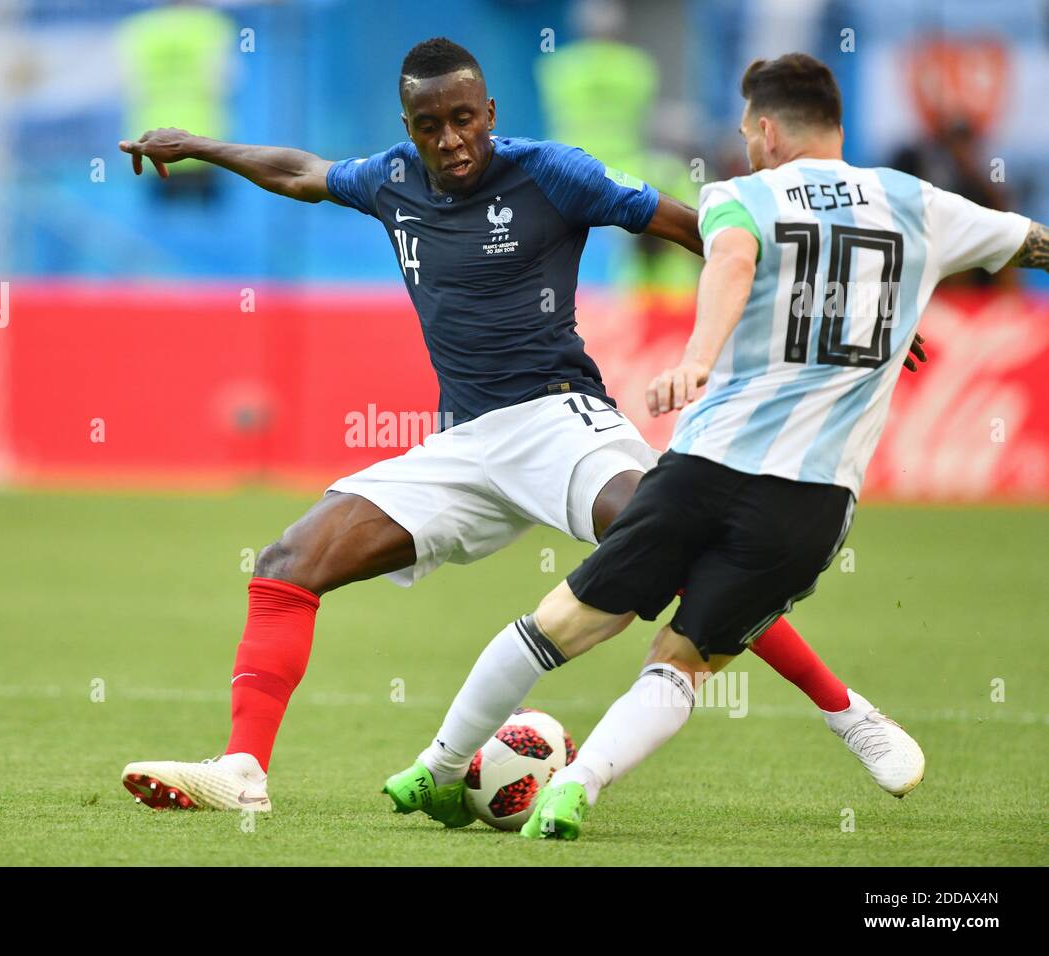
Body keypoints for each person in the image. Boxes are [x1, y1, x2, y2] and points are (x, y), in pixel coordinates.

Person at [116, 38, 925, 816]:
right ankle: (243, 770)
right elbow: (301, 172)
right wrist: (197, 143)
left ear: (489, 109)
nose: (452, 140)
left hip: (557, 418)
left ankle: (849, 713)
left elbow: (702, 230)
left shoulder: (553, 174)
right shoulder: (391, 179)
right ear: (409, 130)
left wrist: (837, 306)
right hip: (465, 444)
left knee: (674, 544)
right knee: (289, 563)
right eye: (431, 126)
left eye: (464, 118)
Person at [383, 51, 1044, 841]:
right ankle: (576, 789)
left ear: (765, 130)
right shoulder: (919, 204)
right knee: (681, 664)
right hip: (810, 499)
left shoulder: (741, 194)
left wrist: (698, 356)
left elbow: (731, 258)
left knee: (556, 623)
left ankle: (439, 761)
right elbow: (1032, 244)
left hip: (702, 467)